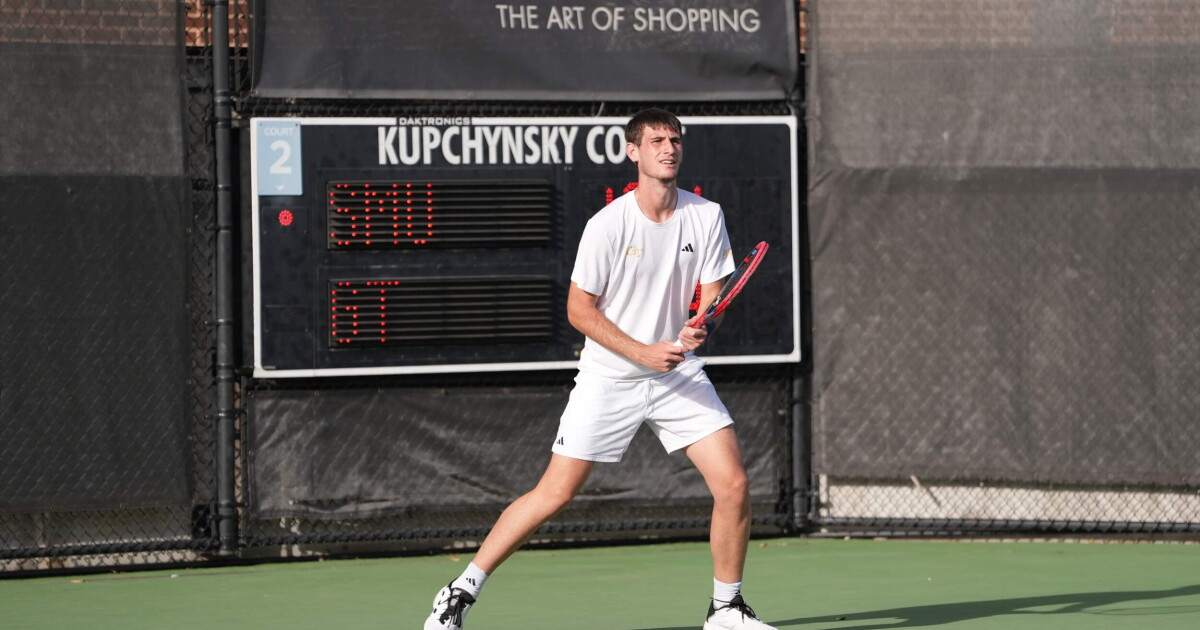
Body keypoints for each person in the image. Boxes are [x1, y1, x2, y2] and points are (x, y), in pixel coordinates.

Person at [423, 108, 777, 630]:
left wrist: (700, 326)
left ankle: (726, 609)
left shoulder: (706, 215)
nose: (668, 148)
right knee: (555, 493)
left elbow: (711, 296)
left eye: (675, 140)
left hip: (677, 375)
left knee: (734, 484)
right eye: (656, 141)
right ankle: (458, 592)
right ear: (633, 152)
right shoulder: (607, 225)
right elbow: (578, 310)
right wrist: (641, 352)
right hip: (610, 377)